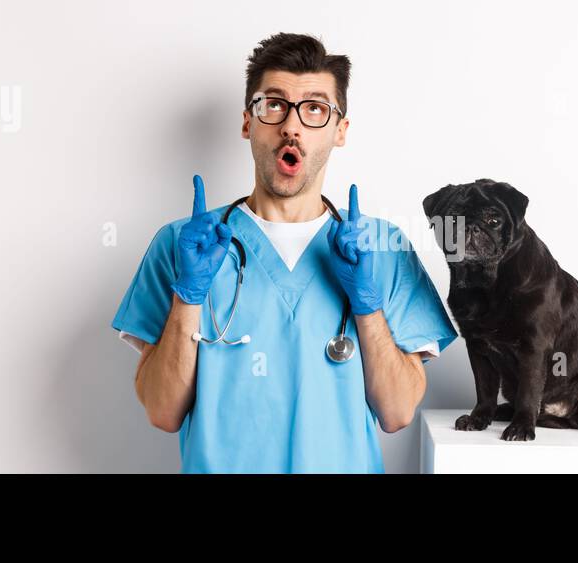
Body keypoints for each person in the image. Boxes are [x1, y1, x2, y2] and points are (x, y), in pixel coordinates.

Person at [110, 32, 457, 473]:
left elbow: (398, 412)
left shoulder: (381, 248)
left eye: (315, 109)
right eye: (273, 104)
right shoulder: (185, 243)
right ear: (247, 122)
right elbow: (162, 412)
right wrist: (188, 296)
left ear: (340, 131)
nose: (292, 126)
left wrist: (368, 309)